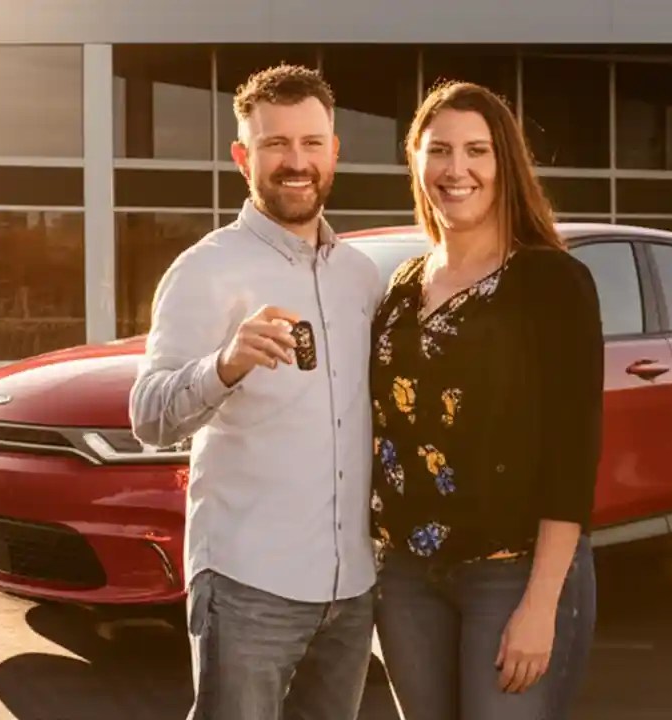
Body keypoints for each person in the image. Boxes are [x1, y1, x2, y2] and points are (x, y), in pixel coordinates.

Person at [128, 64, 382, 720]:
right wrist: (225, 364)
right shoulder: (205, 269)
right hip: (248, 585)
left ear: (334, 152)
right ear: (244, 157)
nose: (295, 162)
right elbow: (148, 416)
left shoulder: (362, 278)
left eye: (311, 143)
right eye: (275, 145)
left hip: (352, 589)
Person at [368, 80, 604, 719]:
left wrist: (541, 604)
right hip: (404, 578)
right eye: (439, 150)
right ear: (415, 161)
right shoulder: (401, 287)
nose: (457, 169)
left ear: (505, 163)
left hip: (511, 573)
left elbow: (572, 453)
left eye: (477, 150)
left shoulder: (552, 281)